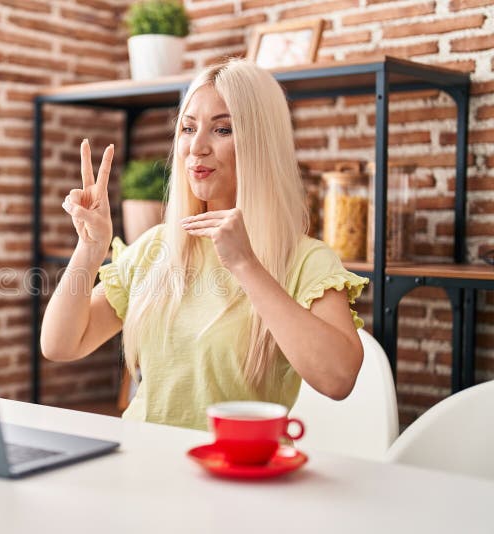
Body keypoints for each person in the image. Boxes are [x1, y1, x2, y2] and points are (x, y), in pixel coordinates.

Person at [40, 58, 368, 431]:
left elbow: (338, 379)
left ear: (260, 142)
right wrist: (90, 247)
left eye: (222, 129)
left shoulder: (306, 261)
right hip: (145, 462)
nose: (197, 147)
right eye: (188, 128)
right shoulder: (156, 249)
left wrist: (246, 264)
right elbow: (60, 345)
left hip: (240, 470)